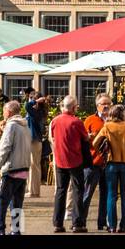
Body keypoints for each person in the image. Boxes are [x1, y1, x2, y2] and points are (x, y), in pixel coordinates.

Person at [94, 104, 125, 233]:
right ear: (123, 114)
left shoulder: (107, 127)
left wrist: (102, 154)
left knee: (111, 194)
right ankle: (123, 226)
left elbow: (95, 143)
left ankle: (112, 226)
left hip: (111, 163)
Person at [49, 95, 89, 233]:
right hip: (75, 160)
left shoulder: (55, 121)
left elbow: (53, 138)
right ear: (73, 107)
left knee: (60, 191)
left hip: (60, 160)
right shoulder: (76, 122)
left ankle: (57, 223)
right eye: (76, 106)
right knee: (78, 190)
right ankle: (77, 223)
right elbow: (85, 137)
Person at [0, 100, 31, 235]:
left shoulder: (11, 126)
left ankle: (0, 229)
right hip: (24, 168)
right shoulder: (25, 126)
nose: (3, 113)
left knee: (1, 201)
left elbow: (5, 147)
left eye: (4, 111)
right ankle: (16, 230)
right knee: (17, 203)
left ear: (8, 112)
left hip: (11, 169)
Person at [82, 94, 111, 232]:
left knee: (106, 194)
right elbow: (82, 140)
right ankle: (80, 221)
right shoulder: (90, 120)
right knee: (87, 194)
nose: (106, 106)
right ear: (97, 105)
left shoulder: (114, 121)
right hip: (93, 163)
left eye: (108, 104)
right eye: (103, 104)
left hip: (109, 164)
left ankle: (102, 222)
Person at [24, 91, 48, 198]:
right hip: (34, 140)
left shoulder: (36, 112)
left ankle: (33, 191)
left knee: (34, 165)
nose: (29, 100)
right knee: (33, 165)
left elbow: (27, 106)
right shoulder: (38, 111)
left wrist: (35, 101)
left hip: (34, 140)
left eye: (31, 98)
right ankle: (32, 190)